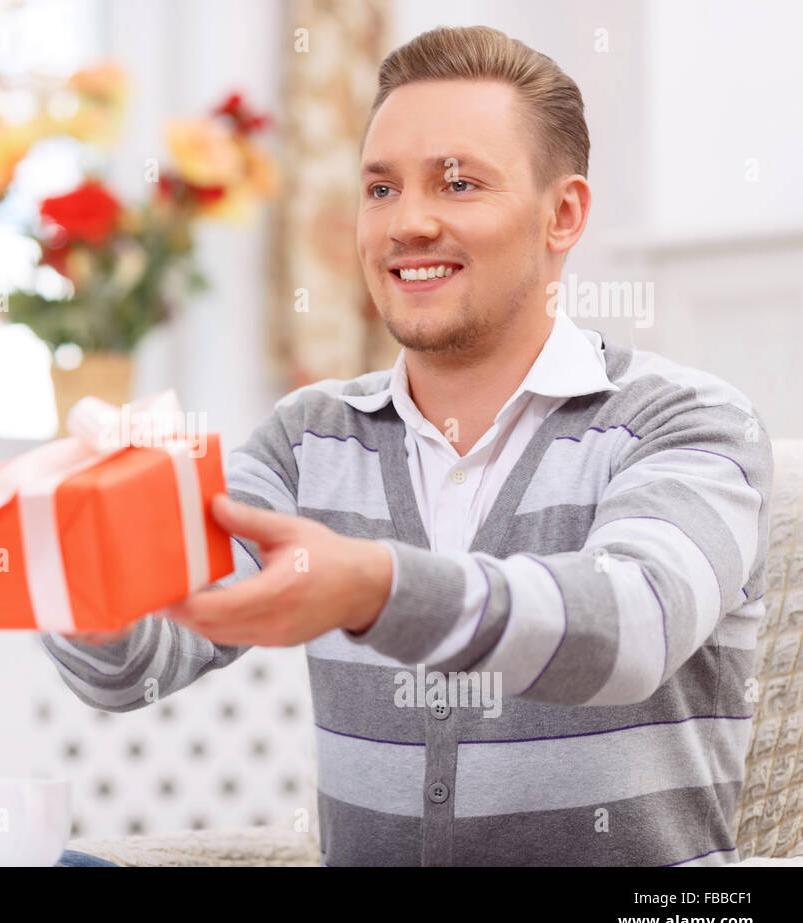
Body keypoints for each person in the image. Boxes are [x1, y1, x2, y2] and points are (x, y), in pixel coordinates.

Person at [40, 24, 773, 866]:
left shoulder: (686, 420)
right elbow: (135, 668)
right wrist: (82, 549)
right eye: (380, 189)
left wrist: (374, 587)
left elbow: (627, 628)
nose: (408, 223)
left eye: (458, 184)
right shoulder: (308, 437)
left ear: (562, 214)